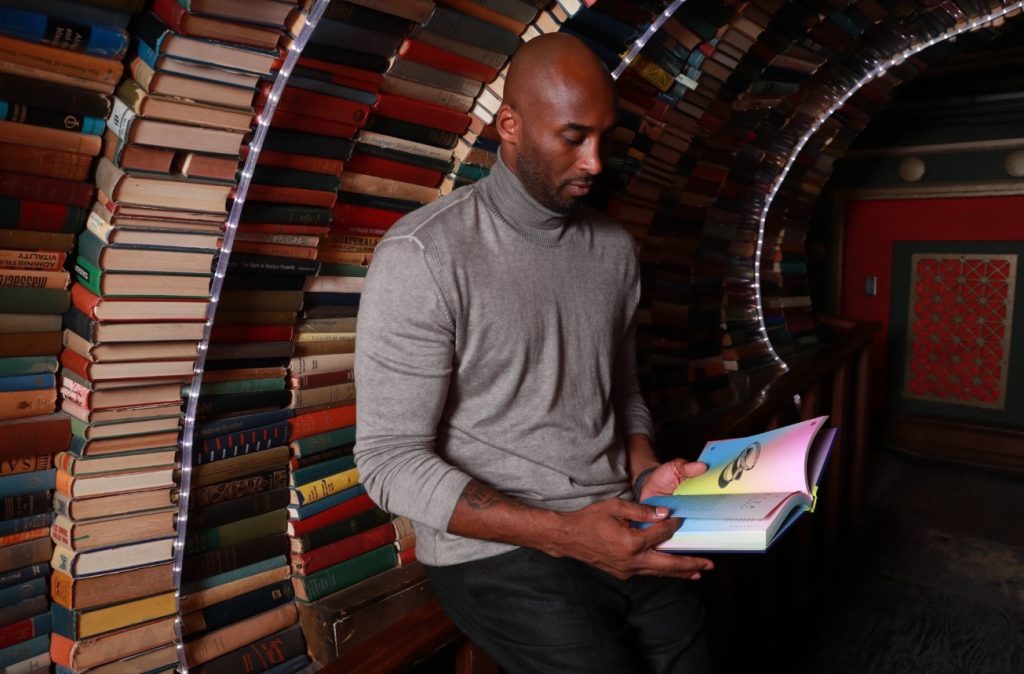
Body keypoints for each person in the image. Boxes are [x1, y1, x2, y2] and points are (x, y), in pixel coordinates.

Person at [354, 33, 713, 673]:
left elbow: (621, 393)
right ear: (510, 125)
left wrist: (646, 472)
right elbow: (387, 461)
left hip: (618, 514)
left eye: (606, 137)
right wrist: (564, 534)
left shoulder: (614, 249)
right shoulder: (422, 256)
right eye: (573, 137)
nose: (596, 162)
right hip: (497, 549)